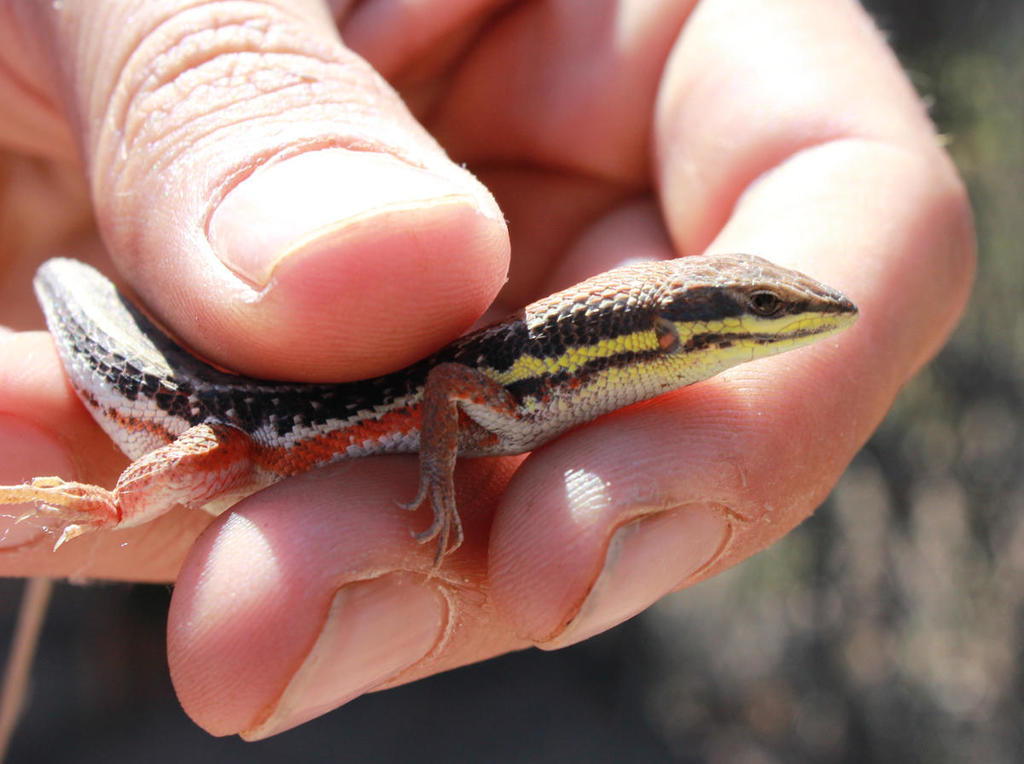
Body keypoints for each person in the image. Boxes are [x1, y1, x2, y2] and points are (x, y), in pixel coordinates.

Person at [0, 0, 973, 740]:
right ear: (672, 330)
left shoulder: (563, 368)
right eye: (760, 311)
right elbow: (444, 388)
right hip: (238, 420)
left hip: (240, 402)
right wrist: (433, 468)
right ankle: (102, 507)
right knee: (202, 471)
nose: (797, 319)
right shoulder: (528, 378)